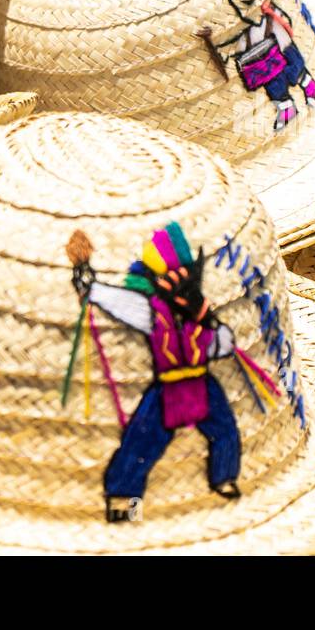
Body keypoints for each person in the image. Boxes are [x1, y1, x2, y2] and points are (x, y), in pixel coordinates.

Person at [71, 223, 242, 522]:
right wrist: (91, 286)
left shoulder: (200, 312)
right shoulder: (151, 311)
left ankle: (224, 476)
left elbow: (223, 345)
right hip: (167, 389)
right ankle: (123, 496)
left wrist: (207, 318)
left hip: (202, 382)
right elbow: (123, 304)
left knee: (225, 429)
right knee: (142, 438)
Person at [211, 0, 315, 131]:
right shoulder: (247, 29)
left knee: (295, 71)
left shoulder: (270, 15)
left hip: (283, 50)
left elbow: (285, 28)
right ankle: (286, 108)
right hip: (265, 63)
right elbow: (240, 44)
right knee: (274, 86)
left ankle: (307, 84)